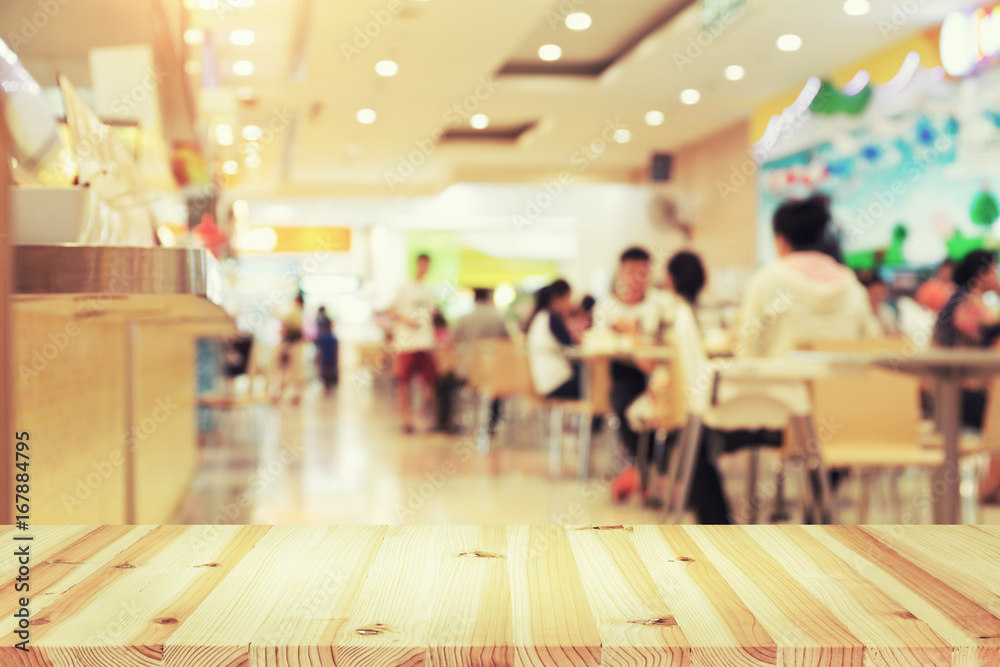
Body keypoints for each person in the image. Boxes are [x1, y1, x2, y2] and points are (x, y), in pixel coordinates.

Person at [685, 195, 881, 524]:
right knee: (829, 443)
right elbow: (872, 349)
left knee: (693, 437)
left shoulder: (768, 278)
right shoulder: (851, 286)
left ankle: (720, 531)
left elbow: (749, 352)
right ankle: (815, 516)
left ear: (779, 239)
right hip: (840, 422)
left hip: (780, 417)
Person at [597, 247, 685, 506]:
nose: (635, 278)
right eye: (629, 272)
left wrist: (632, 334)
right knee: (625, 403)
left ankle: (653, 474)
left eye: (641, 272)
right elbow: (599, 345)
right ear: (620, 273)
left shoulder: (662, 302)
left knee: (671, 408)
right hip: (626, 373)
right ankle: (646, 473)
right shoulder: (608, 307)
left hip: (664, 371)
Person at [932, 249, 1000, 504]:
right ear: (981, 274)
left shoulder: (957, 300)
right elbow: (993, 335)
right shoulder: (968, 304)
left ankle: (992, 486)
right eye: (994, 270)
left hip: (950, 392)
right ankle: (990, 488)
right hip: (959, 395)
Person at [389, 253, 437, 433]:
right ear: (418, 264)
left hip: (425, 342)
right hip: (406, 343)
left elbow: (431, 312)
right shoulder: (404, 287)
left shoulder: (428, 289)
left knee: (427, 382)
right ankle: (406, 420)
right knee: (404, 383)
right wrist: (407, 321)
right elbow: (392, 310)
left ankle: (425, 418)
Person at [453, 288, 510, 433]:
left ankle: (458, 419)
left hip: (468, 370)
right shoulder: (498, 317)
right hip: (492, 371)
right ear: (490, 296)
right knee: (498, 383)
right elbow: (510, 341)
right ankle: (494, 422)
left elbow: (451, 340)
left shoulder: (464, 318)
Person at [526, 279, 581, 399]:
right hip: (556, 382)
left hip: (543, 382)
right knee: (592, 385)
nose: (570, 304)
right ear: (559, 298)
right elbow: (572, 346)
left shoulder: (540, 317)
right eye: (569, 299)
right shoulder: (551, 317)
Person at [275, 292, 306, 405]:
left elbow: (284, 322)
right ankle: (295, 394)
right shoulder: (299, 313)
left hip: (292, 346)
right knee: (295, 370)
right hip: (296, 345)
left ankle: (283, 394)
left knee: (286, 370)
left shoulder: (294, 311)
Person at [314, 307, 338, 393]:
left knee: (325, 370)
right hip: (329, 358)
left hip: (325, 358)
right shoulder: (333, 338)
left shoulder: (323, 337)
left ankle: (327, 384)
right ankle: (329, 383)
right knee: (329, 370)